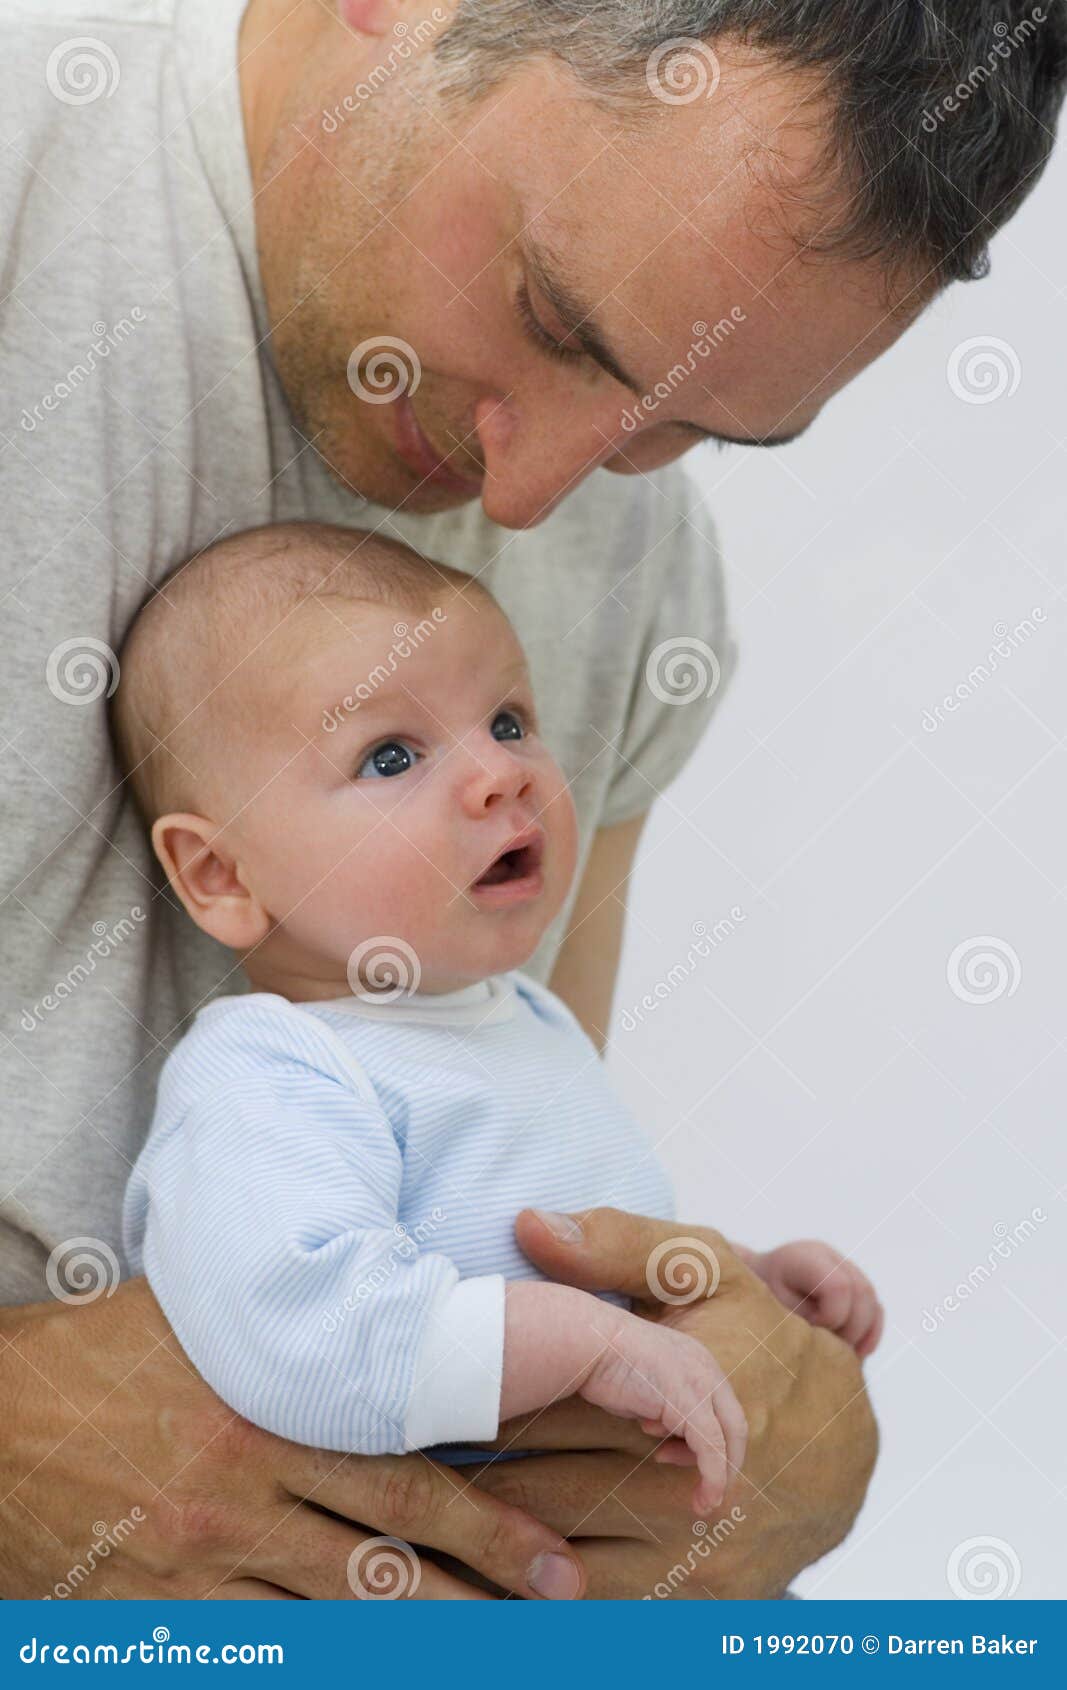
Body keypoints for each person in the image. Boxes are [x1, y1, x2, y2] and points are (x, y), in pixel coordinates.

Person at [1, 0, 1062, 1599]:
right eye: (554, 318)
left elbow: (525, 1192)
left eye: (689, 429)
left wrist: (777, 1429)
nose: (527, 498)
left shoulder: (646, 581)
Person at [112, 521, 881, 1533]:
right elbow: (296, 1326)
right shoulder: (271, 1070)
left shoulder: (528, 1020)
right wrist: (585, 1347)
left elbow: (584, 1240)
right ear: (223, 876)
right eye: (391, 754)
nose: (501, 773)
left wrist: (730, 1281)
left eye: (509, 722)